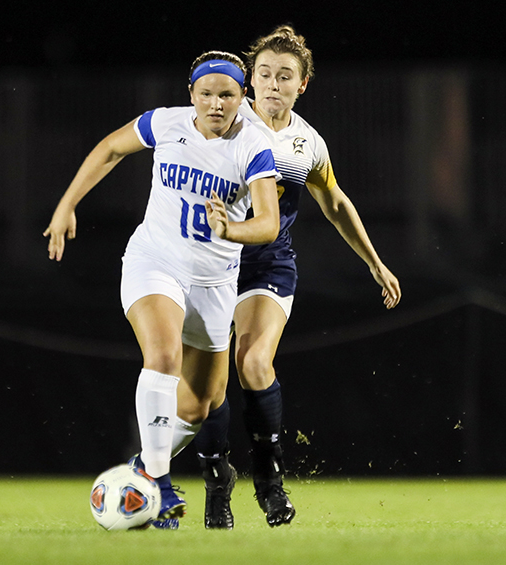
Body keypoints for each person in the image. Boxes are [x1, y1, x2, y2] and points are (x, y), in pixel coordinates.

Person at [43, 50, 281, 528]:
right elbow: (110, 149)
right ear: (191, 94)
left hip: (215, 283)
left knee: (199, 405)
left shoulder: (253, 145)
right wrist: (67, 204)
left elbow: (269, 223)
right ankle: (158, 481)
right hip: (156, 262)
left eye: (227, 95)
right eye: (206, 94)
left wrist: (232, 230)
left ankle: (141, 471)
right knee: (164, 355)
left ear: (242, 97)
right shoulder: (166, 123)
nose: (216, 104)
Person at [186, 25, 402, 529]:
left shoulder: (307, 144)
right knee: (208, 391)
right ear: (250, 80)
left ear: (301, 84)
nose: (273, 84)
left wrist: (374, 262)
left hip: (266, 264)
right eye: (264, 74)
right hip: (209, 264)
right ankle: (217, 480)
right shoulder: (224, 123)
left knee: (254, 362)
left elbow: (335, 202)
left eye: (285, 76)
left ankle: (269, 478)